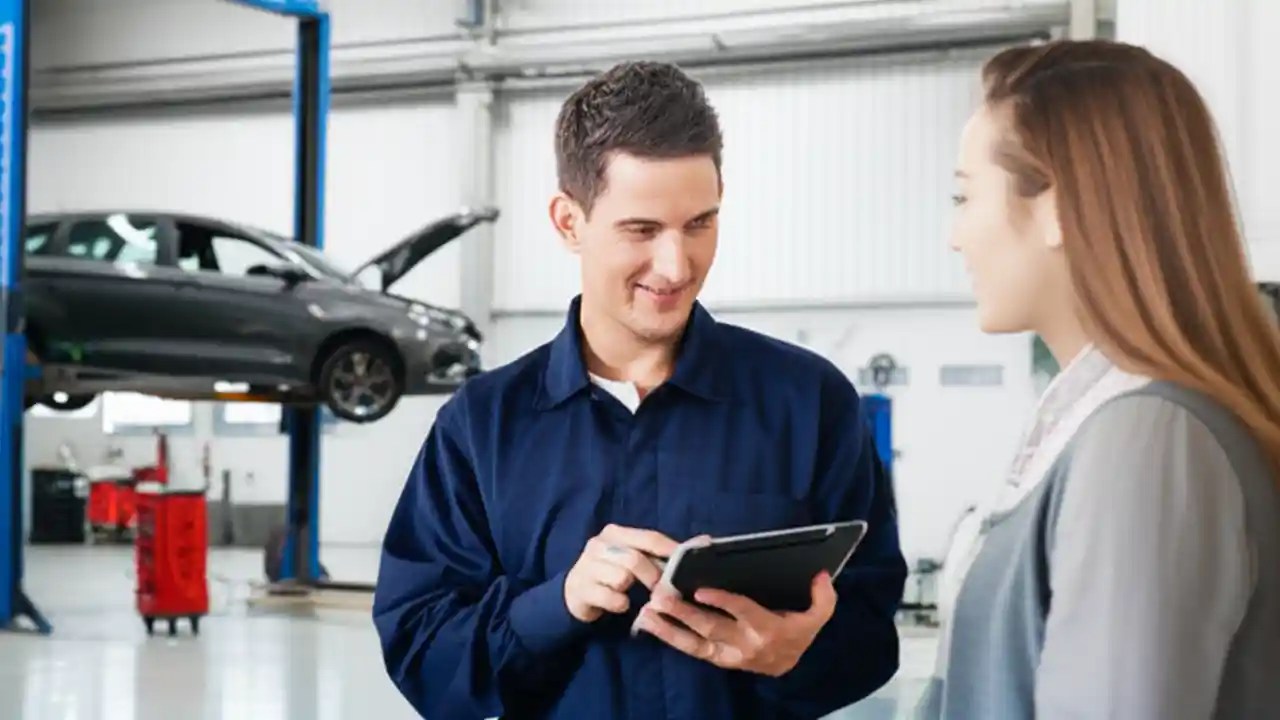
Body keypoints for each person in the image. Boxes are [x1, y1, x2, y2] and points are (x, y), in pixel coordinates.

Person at [372, 61, 907, 720]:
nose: (677, 265)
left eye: (700, 224)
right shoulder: (482, 429)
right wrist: (558, 603)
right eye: (643, 230)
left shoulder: (809, 403)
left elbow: (873, 628)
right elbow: (421, 653)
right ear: (569, 222)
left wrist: (797, 654)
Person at [918, 39, 1280, 719]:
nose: (955, 236)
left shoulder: (1148, 440)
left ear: (1058, 207)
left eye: (964, 196)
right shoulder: (1103, 424)